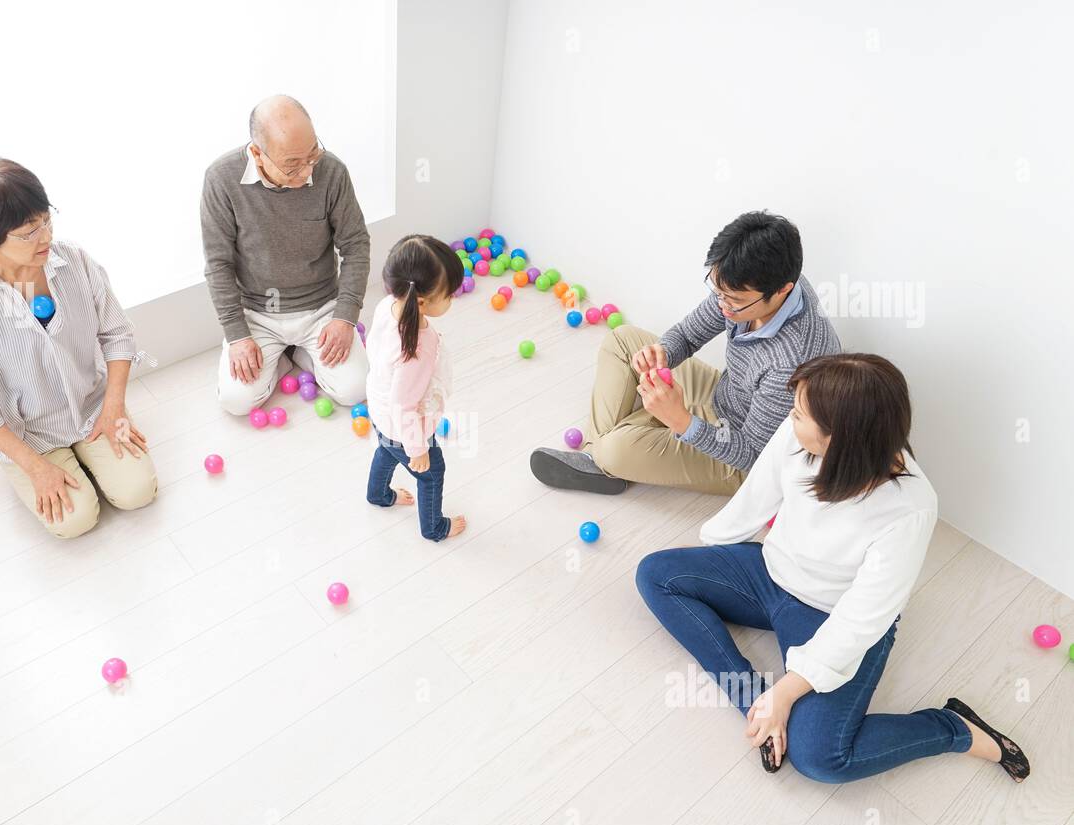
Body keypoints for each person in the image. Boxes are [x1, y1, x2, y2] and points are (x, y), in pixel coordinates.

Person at [636, 353, 1029, 782]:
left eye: (800, 415)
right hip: (768, 574)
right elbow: (758, 494)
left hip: (831, 615)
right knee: (656, 574)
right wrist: (715, 561)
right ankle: (752, 698)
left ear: (839, 439)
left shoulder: (910, 508)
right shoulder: (799, 432)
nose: (790, 419)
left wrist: (789, 690)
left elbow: (863, 619)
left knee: (821, 759)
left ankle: (953, 728)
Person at [531, 211, 839, 496]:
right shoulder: (753, 284)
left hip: (746, 456)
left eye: (733, 300)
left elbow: (752, 454)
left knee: (615, 449)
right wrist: (662, 353)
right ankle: (599, 457)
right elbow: (689, 334)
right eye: (717, 292)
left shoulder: (792, 362)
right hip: (727, 394)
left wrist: (680, 420)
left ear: (783, 290)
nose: (722, 306)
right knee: (623, 340)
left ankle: (605, 455)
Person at [0, 158, 157, 539]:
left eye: (46, 219)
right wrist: (35, 468)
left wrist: (113, 406)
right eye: (28, 232)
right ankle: (42, 466)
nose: (46, 237)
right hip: (26, 434)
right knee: (75, 521)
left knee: (137, 493)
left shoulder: (75, 261)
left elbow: (117, 335)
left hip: (91, 408)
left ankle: (87, 455)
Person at [200, 94, 371, 415]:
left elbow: (356, 245)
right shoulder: (220, 179)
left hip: (320, 306)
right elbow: (217, 265)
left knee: (355, 390)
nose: (307, 170)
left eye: (312, 154)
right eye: (292, 164)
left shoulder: (331, 172)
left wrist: (345, 317)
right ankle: (283, 355)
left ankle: (297, 354)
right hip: (257, 312)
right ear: (257, 153)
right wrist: (237, 336)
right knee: (236, 402)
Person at [363, 235, 467, 541]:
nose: (452, 299)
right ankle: (434, 527)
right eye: (449, 295)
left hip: (380, 410)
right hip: (405, 428)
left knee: (385, 450)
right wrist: (418, 450)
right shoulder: (416, 347)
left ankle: (378, 494)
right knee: (431, 474)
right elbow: (404, 405)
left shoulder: (387, 305)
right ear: (421, 301)